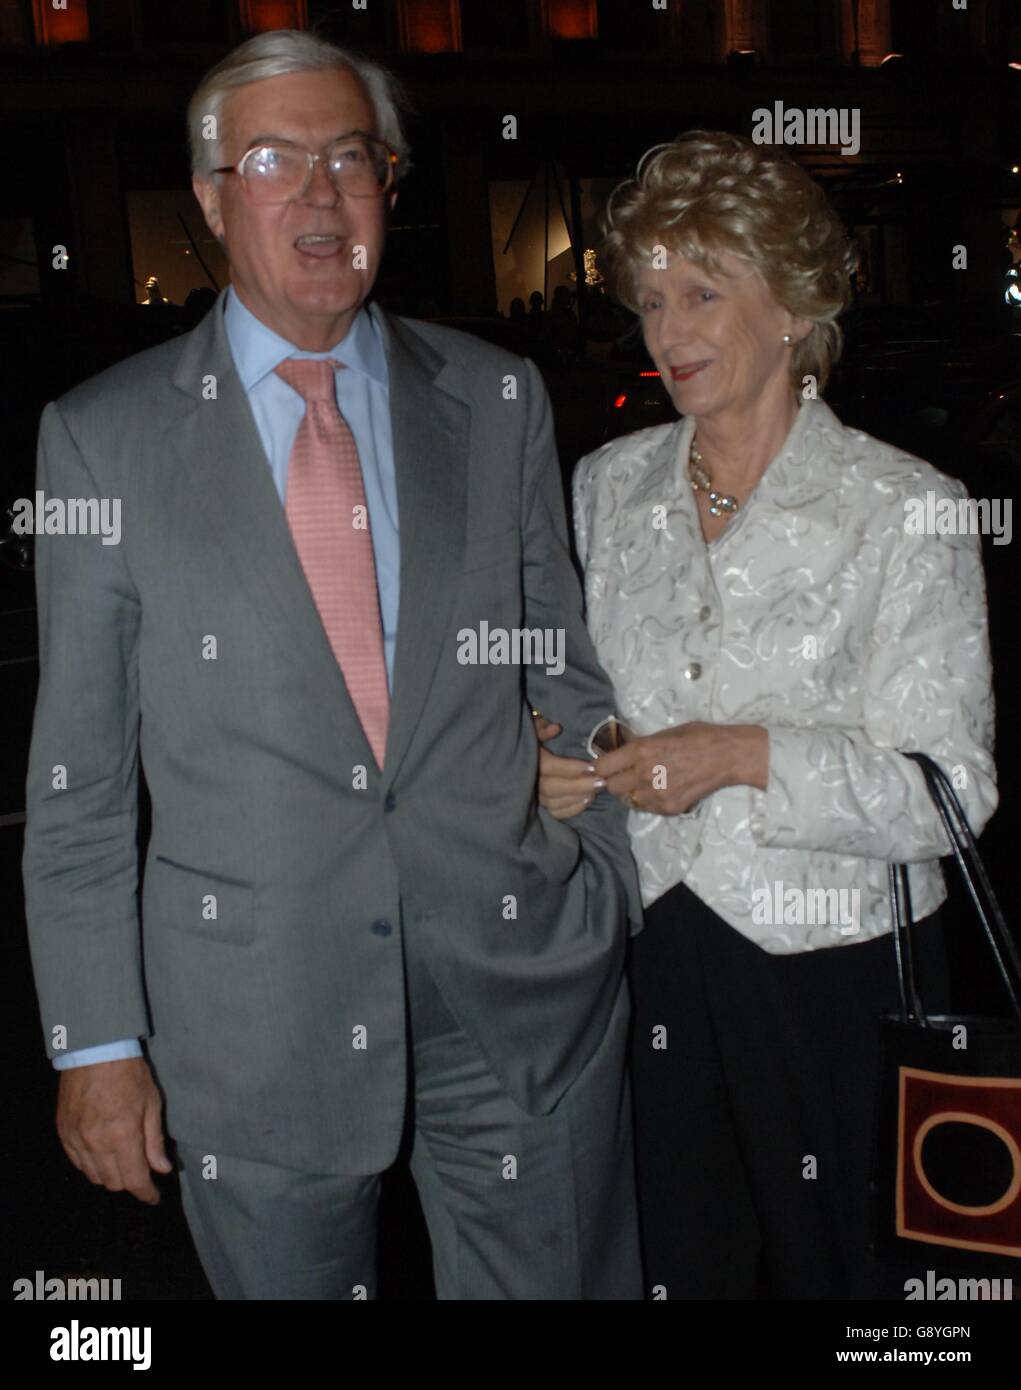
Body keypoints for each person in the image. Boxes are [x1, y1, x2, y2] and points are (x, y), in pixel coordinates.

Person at [22, 29, 643, 1301]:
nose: (317, 192)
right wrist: (95, 1042)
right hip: (255, 1029)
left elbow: (562, 669)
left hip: (518, 997)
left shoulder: (498, 399)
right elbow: (80, 787)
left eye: (349, 157)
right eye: (271, 159)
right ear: (208, 199)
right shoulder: (101, 441)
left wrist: (604, 876)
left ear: (389, 189)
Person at [534, 130, 998, 1300]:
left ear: (793, 308)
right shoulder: (605, 487)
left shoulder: (905, 506)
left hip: (835, 968)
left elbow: (948, 787)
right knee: (672, 1269)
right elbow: (577, 703)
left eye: (701, 291)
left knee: (872, 1285)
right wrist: (564, 763)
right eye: (648, 298)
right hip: (652, 946)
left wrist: (738, 754)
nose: (665, 328)